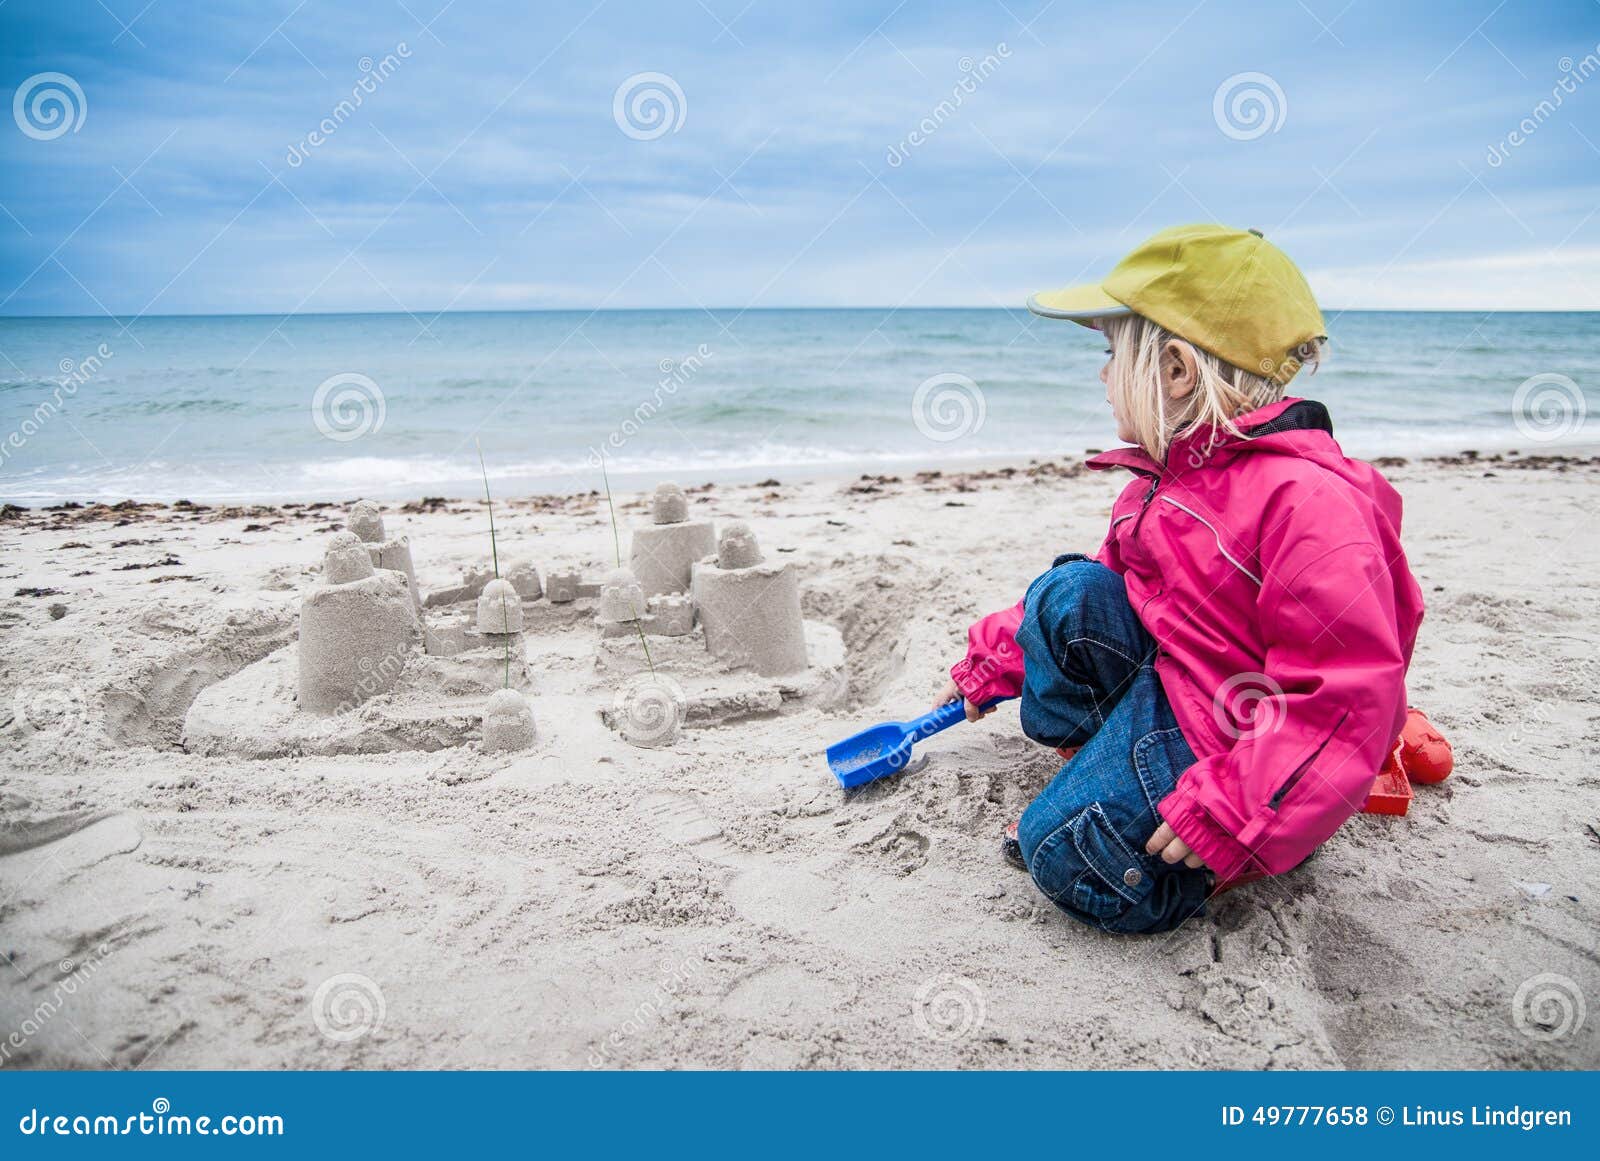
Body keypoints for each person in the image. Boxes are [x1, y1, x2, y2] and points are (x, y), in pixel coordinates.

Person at [934, 223, 1431, 934]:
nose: (1103, 375)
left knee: (1063, 852)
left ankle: (1232, 853)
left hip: (1239, 736)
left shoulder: (1308, 502)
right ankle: (1114, 760)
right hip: (1173, 680)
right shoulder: (1164, 475)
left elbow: (1345, 694)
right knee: (1065, 593)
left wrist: (1233, 809)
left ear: (1175, 371)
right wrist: (993, 659)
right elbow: (1118, 581)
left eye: (1113, 354)